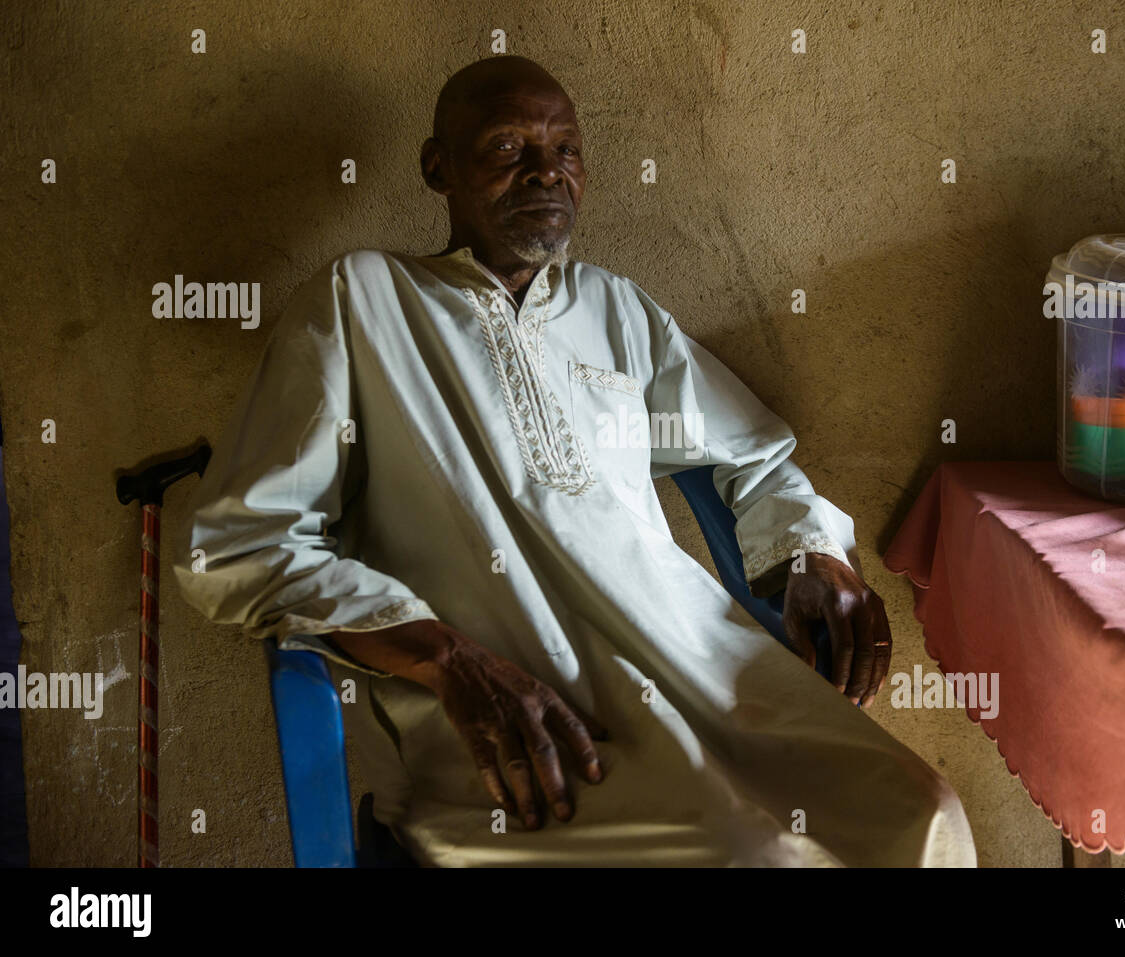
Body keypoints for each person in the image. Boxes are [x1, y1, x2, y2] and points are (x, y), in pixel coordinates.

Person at [174, 55, 976, 866]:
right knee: (757, 856)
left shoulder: (616, 308)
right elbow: (244, 546)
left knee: (924, 815)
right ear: (437, 169)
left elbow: (753, 458)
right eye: (508, 146)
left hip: (700, 665)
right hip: (518, 718)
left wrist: (810, 550)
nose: (546, 172)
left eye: (566, 150)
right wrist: (445, 658)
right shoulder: (364, 302)